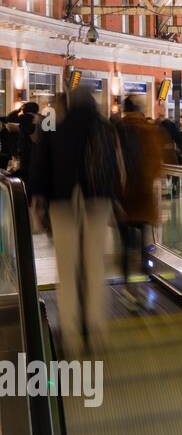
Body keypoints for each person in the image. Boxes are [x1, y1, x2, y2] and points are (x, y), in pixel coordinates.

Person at [30, 87, 122, 356]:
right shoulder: (105, 128)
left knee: (67, 267)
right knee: (94, 265)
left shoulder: (56, 125)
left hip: (63, 201)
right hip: (97, 201)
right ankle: (96, 330)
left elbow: (40, 166)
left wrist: (39, 200)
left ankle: (70, 333)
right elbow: (114, 168)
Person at [113, 95, 167, 306]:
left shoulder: (117, 129)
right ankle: (146, 278)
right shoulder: (149, 130)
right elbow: (157, 161)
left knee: (125, 244)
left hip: (123, 197)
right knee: (144, 242)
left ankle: (129, 287)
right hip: (144, 196)